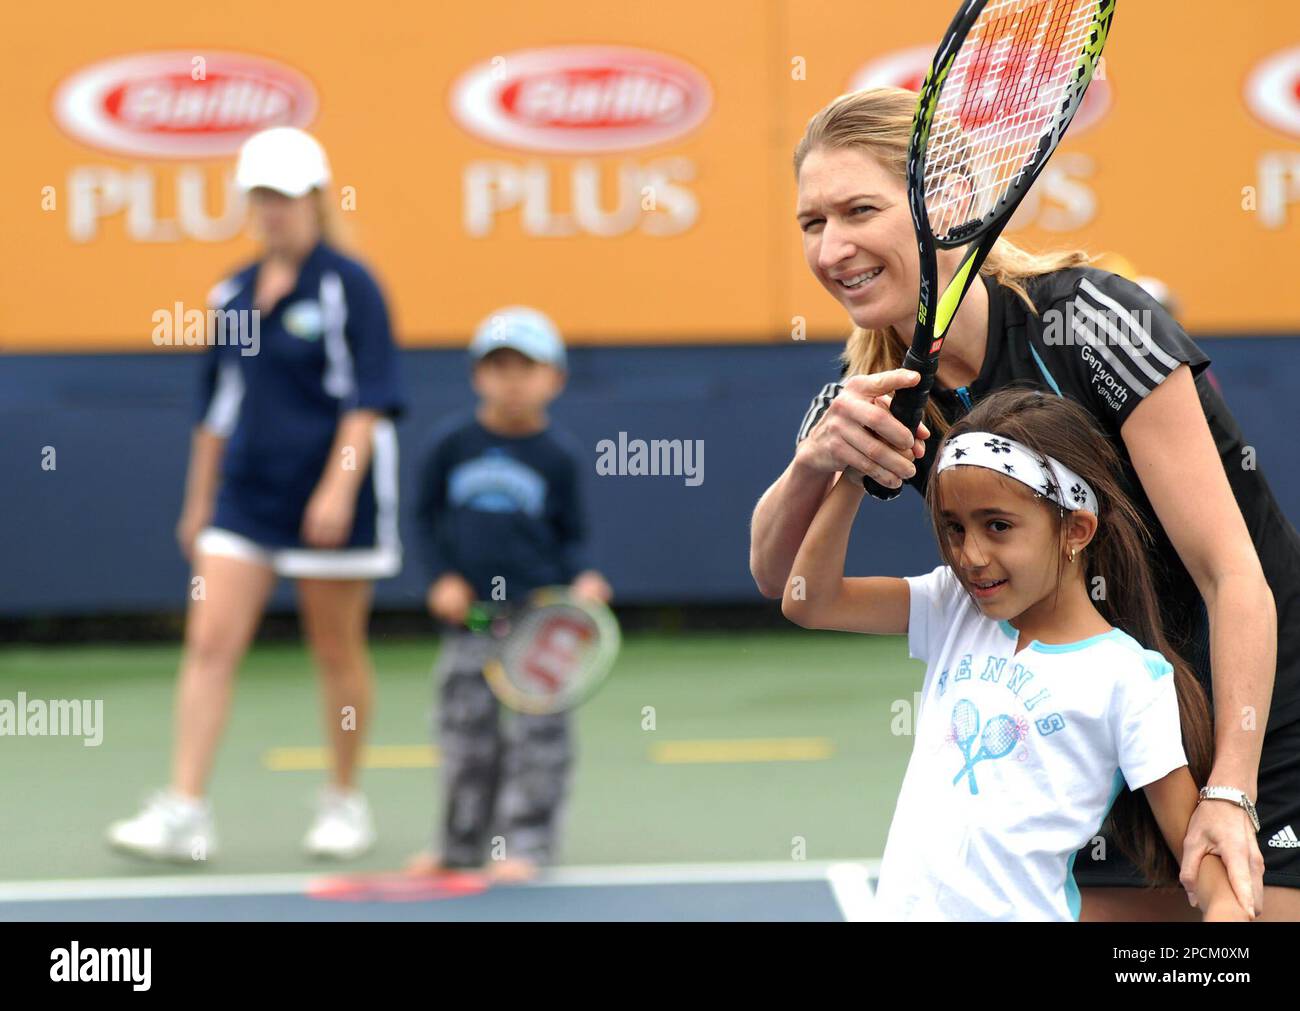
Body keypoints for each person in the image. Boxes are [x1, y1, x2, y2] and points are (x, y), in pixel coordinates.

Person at [752, 87, 1300, 920]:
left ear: (951, 204)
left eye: (859, 209)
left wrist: (1232, 786)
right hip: (1096, 731)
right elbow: (778, 579)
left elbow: (1233, 573)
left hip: (1258, 702)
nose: (833, 248)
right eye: (811, 223)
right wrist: (812, 463)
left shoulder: (1092, 323)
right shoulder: (873, 395)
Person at [783, 386, 1246, 921]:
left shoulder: (1129, 679)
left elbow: (1207, 873)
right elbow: (807, 600)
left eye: (997, 526)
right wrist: (859, 475)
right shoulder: (953, 608)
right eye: (955, 528)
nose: (970, 555)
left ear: (1076, 530)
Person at [107, 127, 404, 861]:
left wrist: (336, 488)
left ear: (314, 199)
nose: (273, 210)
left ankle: (343, 800)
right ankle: (185, 809)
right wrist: (197, 503)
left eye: (286, 195)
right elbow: (216, 411)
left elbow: (366, 402)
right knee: (210, 641)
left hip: (335, 498)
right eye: (261, 195)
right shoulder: (232, 292)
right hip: (247, 498)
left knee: (335, 648)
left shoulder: (350, 284)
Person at [408, 307, 611, 883]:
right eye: (498, 367)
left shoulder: (558, 456)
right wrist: (441, 577)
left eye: (527, 367)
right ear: (477, 376)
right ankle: (459, 844)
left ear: (556, 378)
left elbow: (571, 536)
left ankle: (528, 845)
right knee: (464, 738)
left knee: (538, 740)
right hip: (469, 621)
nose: (512, 380)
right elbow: (424, 521)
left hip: (539, 623)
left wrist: (585, 577)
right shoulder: (451, 445)